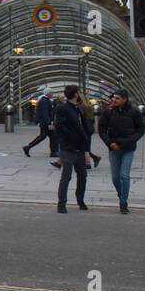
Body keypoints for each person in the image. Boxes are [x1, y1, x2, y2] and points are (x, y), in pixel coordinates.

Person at [98, 88, 145, 213]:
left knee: (124, 176)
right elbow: (101, 128)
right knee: (115, 177)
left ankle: (123, 202)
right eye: (113, 97)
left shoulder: (134, 112)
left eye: (117, 98)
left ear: (125, 99)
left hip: (128, 148)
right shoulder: (108, 112)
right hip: (113, 148)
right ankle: (121, 193)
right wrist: (109, 143)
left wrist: (130, 140)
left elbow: (141, 129)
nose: (114, 100)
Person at [54, 85, 92, 213]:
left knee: (82, 176)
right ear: (76, 94)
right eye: (79, 92)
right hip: (68, 147)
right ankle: (61, 203)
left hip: (80, 147)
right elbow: (59, 126)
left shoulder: (79, 108)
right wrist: (72, 138)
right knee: (66, 175)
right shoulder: (62, 108)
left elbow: (85, 128)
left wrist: (86, 148)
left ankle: (80, 199)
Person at [22, 90, 60, 167]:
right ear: (48, 93)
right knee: (42, 136)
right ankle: (27, 147)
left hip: (45, 122)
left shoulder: (45, 100)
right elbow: (45, 113)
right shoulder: (44, 101)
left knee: (53, 136)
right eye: (51, 93)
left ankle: (54, 152)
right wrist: (49, 123)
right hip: (45, 123)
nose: (52, 94)